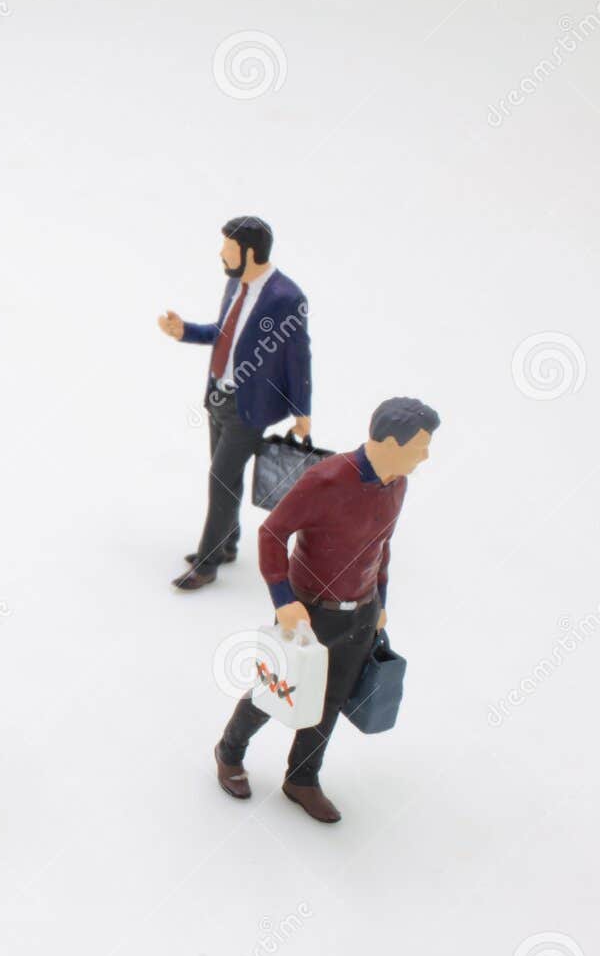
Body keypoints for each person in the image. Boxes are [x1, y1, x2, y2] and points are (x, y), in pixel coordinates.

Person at [213, 397, 439, 823]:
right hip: (308, 612)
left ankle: (302, 777)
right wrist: (284, 600)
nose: (425, 456)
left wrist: (380, 601)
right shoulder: (327, 479)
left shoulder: (397, 483)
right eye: (420, 446)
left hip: (361, 613)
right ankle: (229, 751)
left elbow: (382, 546)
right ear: (392, 442)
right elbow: (272, 533)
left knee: (330, 700)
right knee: (276, 688)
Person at [158, 217, 312, 591]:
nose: (221, 255)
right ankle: (227, 543)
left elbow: (298, 358)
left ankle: (207, 563)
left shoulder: (286, 298)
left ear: (249, 252)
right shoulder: (236, 284)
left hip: (250, 407)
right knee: (225, 477)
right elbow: (223, 332)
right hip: (219, 397)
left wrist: (302, 412)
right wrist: (185, 331)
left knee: (221, 479)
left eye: (228, 249)